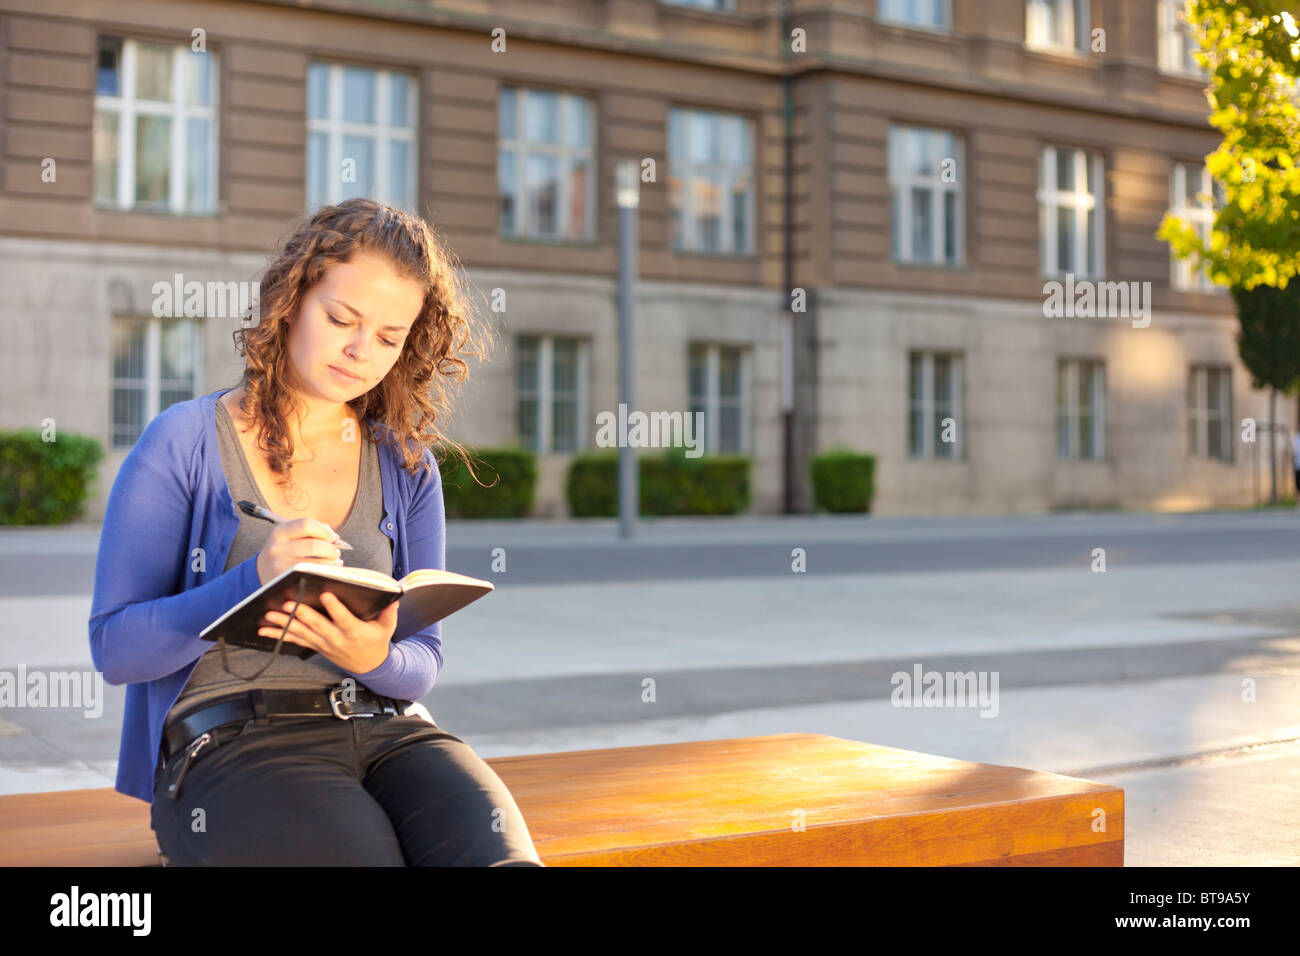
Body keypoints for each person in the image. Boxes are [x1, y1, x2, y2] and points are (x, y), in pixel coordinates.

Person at [88, 198, 543, 866]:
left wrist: (375, 659)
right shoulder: (185, 441)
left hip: (391, 732)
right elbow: (116, 649)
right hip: (233, 744)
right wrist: (251, 581)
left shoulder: (406, 465)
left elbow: (424, 662)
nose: (361, 351)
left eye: (389, 337)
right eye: (341, 319)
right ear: (292, 299)